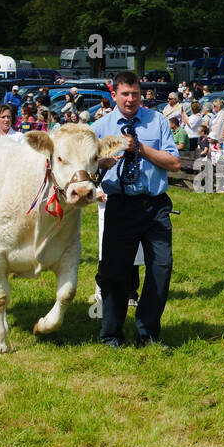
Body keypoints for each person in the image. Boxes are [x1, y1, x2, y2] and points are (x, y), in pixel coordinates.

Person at [91, 71, 181, 350]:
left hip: (154, 207)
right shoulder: (101, 127)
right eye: (125, 94)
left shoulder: (157, 121)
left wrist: (141, 148)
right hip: (119, 206)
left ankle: (148, 334)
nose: (131, 100)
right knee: (114, 273)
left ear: (141, 95)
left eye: (136, 94)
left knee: (160, 269)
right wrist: (102, 165)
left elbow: (173, 163)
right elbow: (88, 169)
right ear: (114, 95)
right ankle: (111, 335)